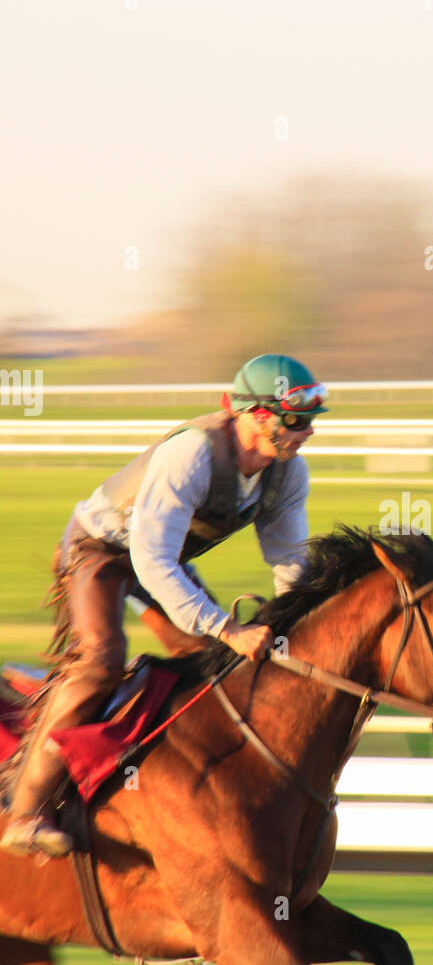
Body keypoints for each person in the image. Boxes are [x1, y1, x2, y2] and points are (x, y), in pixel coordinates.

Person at [0, 352, 328, 859]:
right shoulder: (192, 455)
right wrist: (227, 626)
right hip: (101, 550)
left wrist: (299, 631)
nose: (307, 432)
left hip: (158, 556)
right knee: (101, 661)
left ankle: (173, 784)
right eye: (297, 420)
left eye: (308, 421)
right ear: (257, 414)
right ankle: (26, 810)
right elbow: (150, 563)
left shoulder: (288, 475)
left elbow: (289, 564)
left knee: (210, 662)